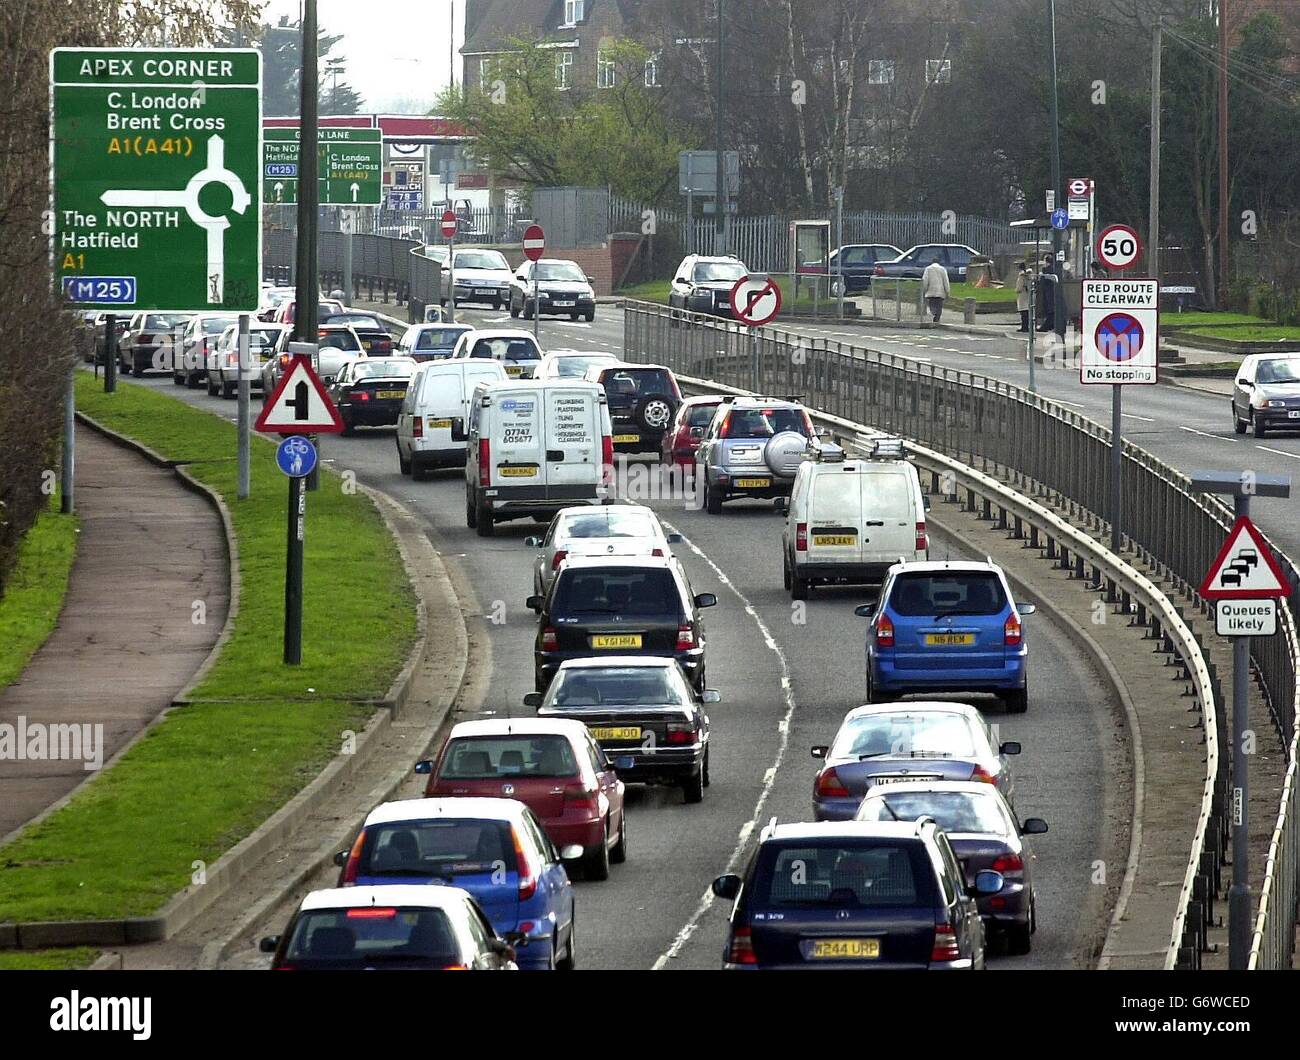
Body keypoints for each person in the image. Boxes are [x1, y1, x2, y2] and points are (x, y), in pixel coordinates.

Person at [921, 258, 950, 323]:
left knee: (932, 304)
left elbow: (925, 280)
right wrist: (947, 291)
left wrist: (924, 290)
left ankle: (933, 312)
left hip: (931, 291)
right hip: (940, 291)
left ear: (932, 262)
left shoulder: (928, 269)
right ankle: (937, 318)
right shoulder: (942, 269)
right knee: (939, 306)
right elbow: (946, 281)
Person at [1014, 262, 1031, 332]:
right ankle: (1026, 326)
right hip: (1027, 294)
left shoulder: (1021, 276)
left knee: (1023, 312)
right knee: (1026, 312)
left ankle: (1024, 327)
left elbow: (1019, 288)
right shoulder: (1028, 275)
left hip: (1022, 295)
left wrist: (1016, 290)